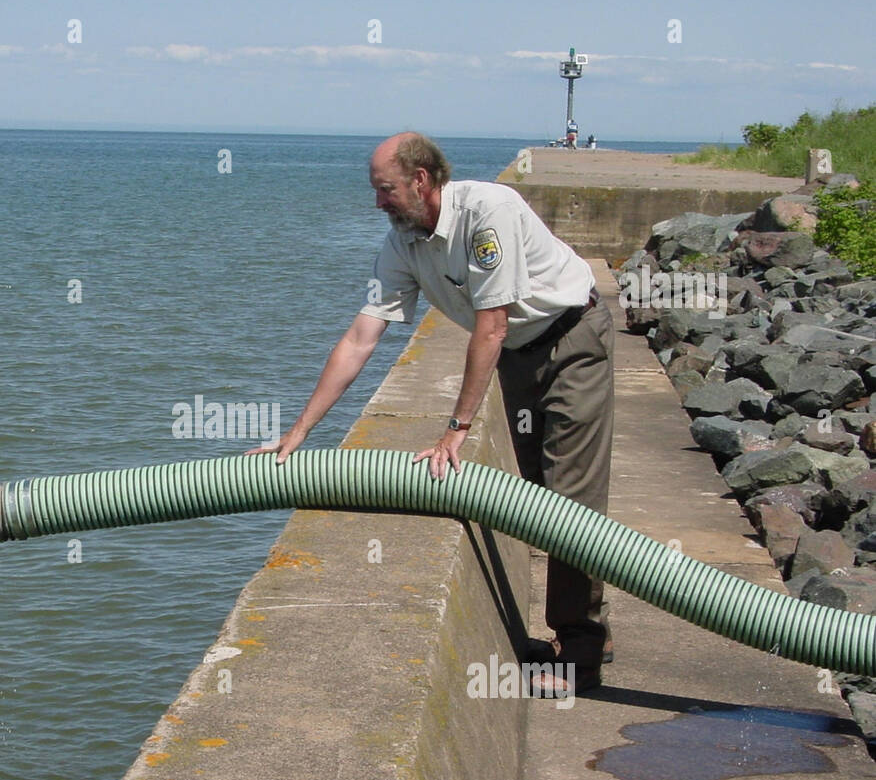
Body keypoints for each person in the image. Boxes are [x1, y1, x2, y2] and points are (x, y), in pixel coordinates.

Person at [246, 132, 615, 694]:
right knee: (543, 492)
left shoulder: (488, 212)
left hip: (572, 341)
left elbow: (491, 324)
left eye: (385, 189)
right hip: (519, 357)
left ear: (421, 180)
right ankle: (590, 629)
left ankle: (581, 653)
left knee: (571, 497)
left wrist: (456, 431)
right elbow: (360, 339)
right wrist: (298, 431)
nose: (378, 203)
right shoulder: (404, 245)